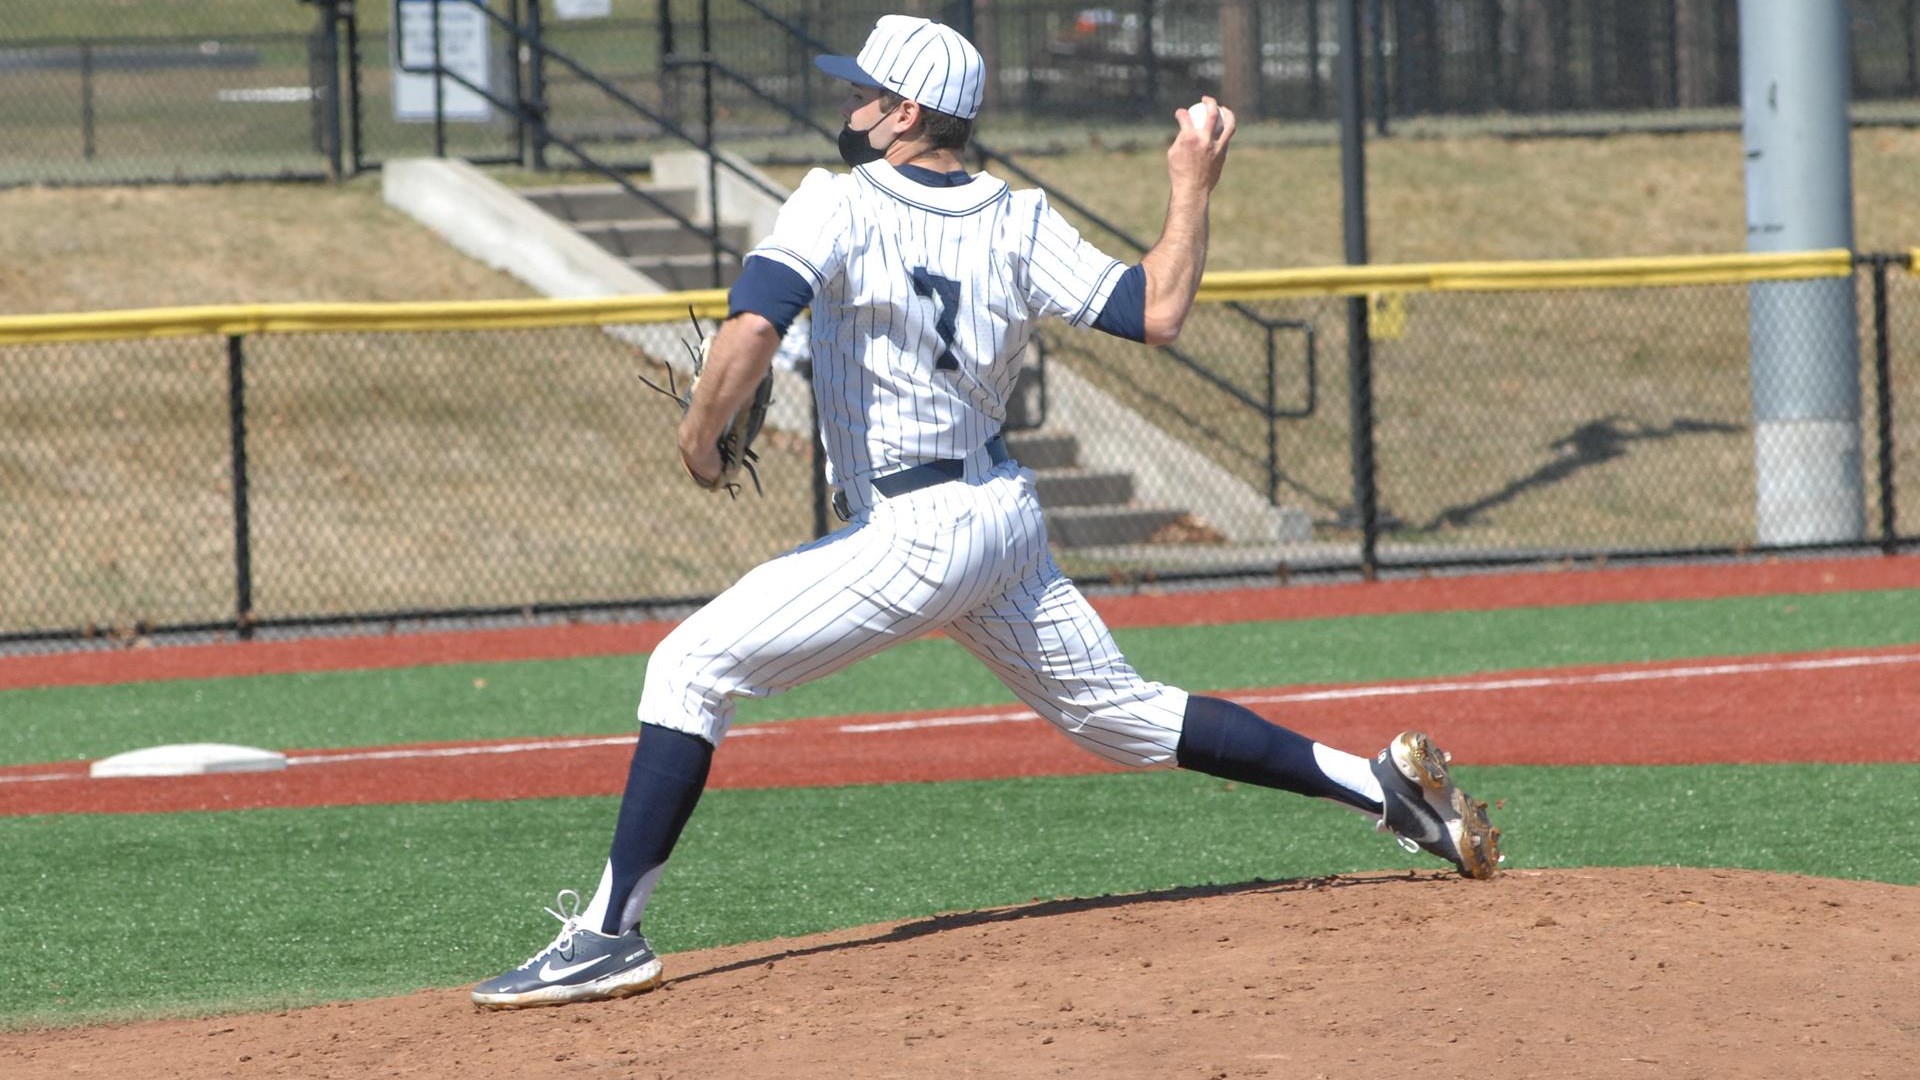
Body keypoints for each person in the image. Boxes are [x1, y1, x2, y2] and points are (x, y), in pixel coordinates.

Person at [472, 14, 1500, 1011]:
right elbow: (1158, 310)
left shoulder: (835, 200)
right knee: (1118, 716)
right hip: (999, 517)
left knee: (690, 667)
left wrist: (700, 439)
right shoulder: (1018, 215)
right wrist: (1191, 186)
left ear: (910, 110)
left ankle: (608, 935)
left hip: (915, 530)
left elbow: (748, 330)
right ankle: (1383, 791)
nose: (854, 104)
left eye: (869, 91)